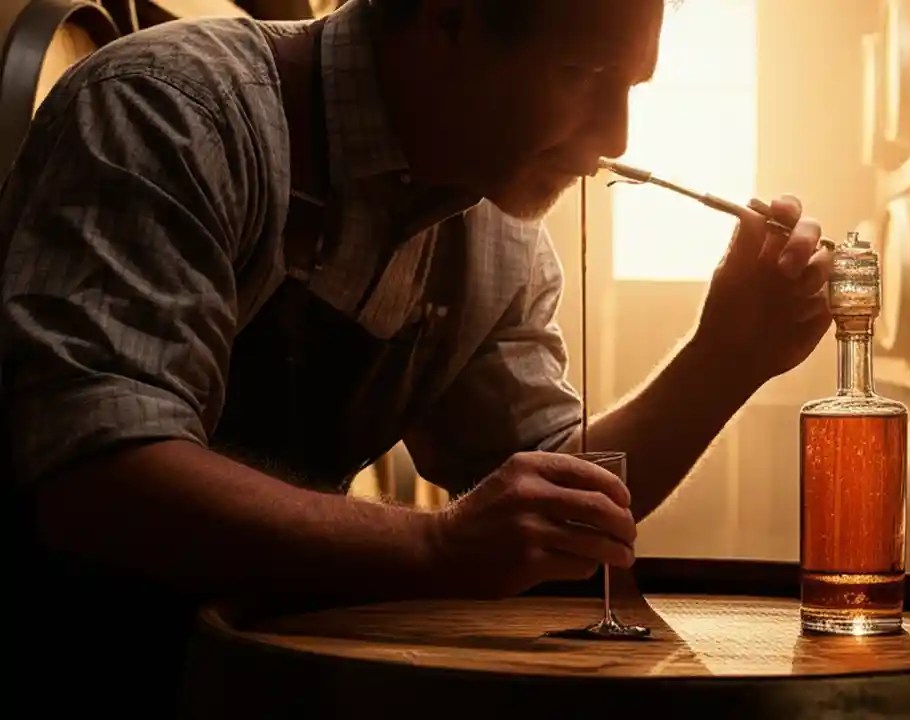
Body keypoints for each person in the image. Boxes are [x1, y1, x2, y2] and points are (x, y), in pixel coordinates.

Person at [0, 0, 833, 712]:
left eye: (632, 89)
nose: (614, 135)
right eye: (587, 76)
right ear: (450, 20)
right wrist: (438, 547)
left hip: (247, 679)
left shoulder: (499, 240)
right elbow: (98, 482)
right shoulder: (171, 108)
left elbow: (553, 507)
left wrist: (724, 361)